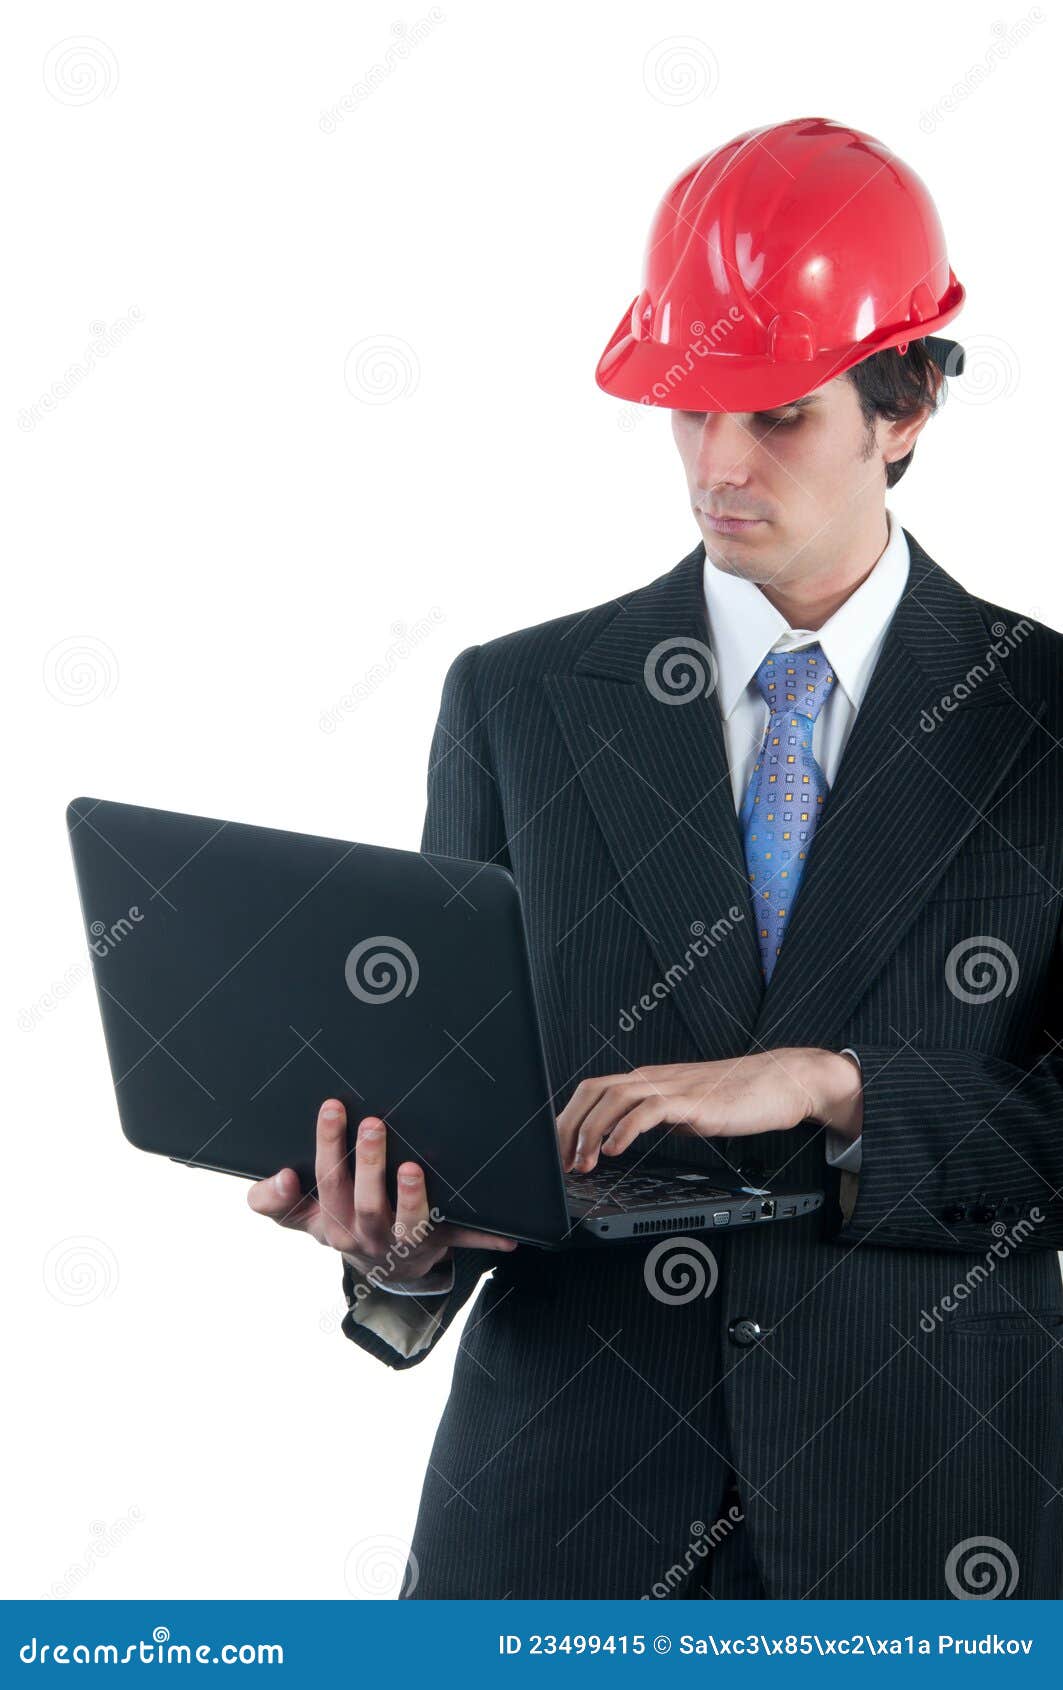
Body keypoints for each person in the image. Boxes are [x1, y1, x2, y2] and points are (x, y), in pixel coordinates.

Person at [249, 117, 1063, 1599]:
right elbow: (464, 1104)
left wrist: (840, 1088)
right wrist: (401, 1243)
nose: (718, 463)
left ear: (910, 404)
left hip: (936, 1517)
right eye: (690, 409)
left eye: (777, 416)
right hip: (565, 1529)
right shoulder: (516, 705)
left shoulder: (1048, 719)